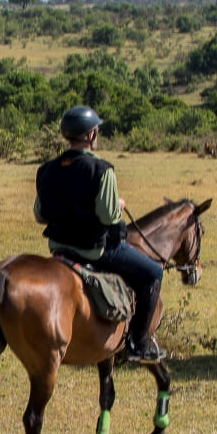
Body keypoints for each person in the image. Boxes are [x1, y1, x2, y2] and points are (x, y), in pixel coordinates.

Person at [35, 105, 166, 361]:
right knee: (154, 272)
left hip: (59, 247)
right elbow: (109, 217)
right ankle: (139, 344)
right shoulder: (102, 170)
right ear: (92, 134)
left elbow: (40, 214)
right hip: (96, 249)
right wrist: (119, 205)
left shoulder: (46, 170)